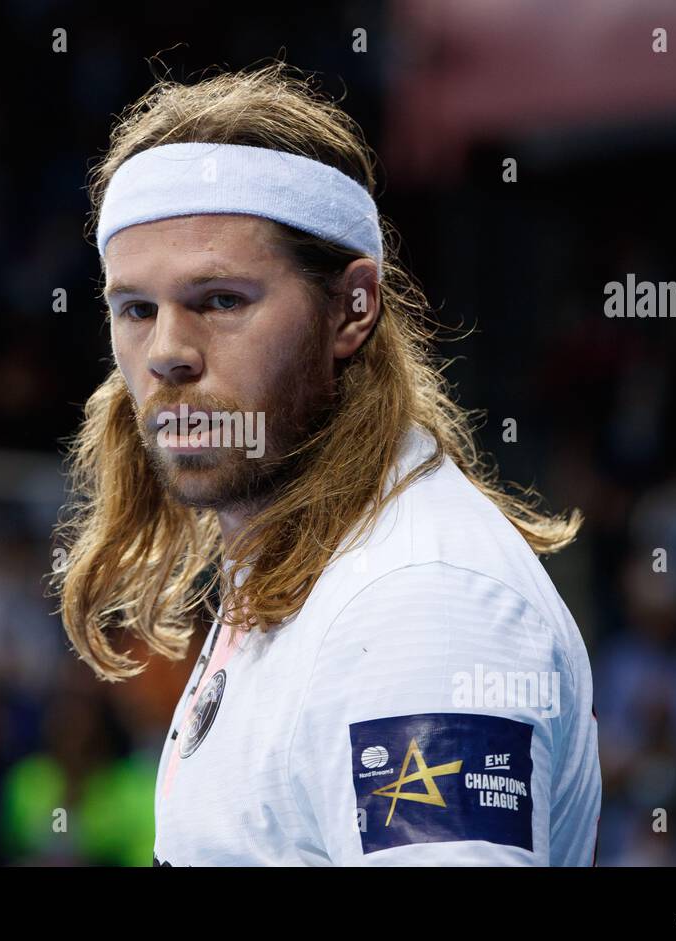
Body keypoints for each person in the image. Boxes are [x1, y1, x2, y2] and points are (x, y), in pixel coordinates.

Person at [51, 62, 600, 866]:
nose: (166, 351)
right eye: (136, 310)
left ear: (352, 309)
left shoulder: (418, 604)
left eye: (221, 300)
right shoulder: (299, 557)